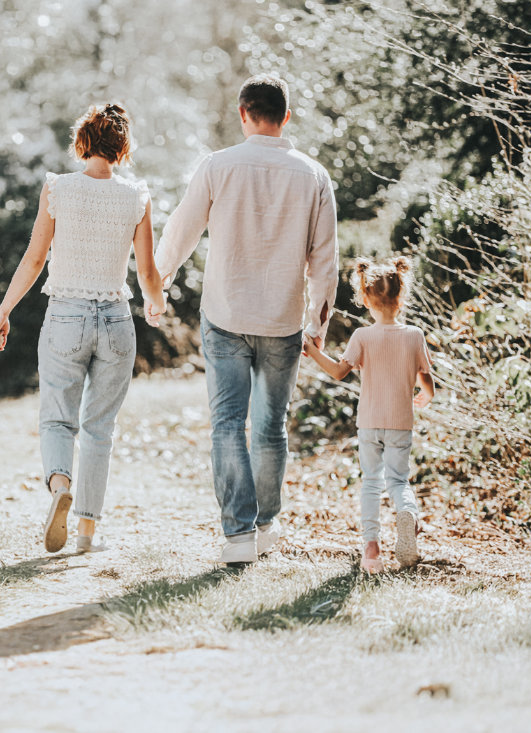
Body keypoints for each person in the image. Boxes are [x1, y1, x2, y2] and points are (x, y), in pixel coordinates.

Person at [153, 74, 339, 564]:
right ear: (286, 117)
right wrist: (319, 324)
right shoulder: (314, 174)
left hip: (226, 313)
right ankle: (266, 526)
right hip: (283, 319)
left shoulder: (218, 166)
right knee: (271, 427)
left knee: (227, 425)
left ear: (242, 114)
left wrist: (159, 283)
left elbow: (180, 232)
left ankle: (237, 536)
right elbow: (325, 259)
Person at [0, 103, 166, 554]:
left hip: (65, 315)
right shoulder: (136, 196)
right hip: (116, 320)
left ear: (82, 141)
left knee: (56, 417)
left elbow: (34, 259)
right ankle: (86, 531)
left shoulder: (58, 189)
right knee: (100, 427)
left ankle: (60, 485)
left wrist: (3, 310)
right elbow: (146, 271)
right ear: (122, 147)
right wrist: (157, 303)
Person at [303, 257, 435, 572]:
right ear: (402, 299)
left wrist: (314, 351)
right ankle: (407, 513)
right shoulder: (414, 335)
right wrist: (426, 395)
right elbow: (426, 379)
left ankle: (371, 549)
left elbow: (338, 372)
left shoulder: (362, 337)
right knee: (398, 480)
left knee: (371, 483)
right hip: (401, 423)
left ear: (365, 299)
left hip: (369, 424)